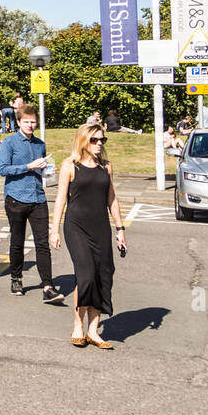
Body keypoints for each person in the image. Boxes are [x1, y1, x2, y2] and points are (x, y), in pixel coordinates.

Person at [50, 124, 126, 349]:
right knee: (86, 275)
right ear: (83, 141)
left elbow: (111, 199)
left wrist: (120, 229)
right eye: (94, 140)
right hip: (76, 227)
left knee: (103, 275)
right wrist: (54, 230)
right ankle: (78, 326)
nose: (99, 143)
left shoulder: (106, 167)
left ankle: (93, 330)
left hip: (100, 227)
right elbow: (60, 200)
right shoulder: (70, 166)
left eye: (102, 140)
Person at [0, 104, 62, 302]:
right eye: (26, 121)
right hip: (16, 197)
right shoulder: (9, 143)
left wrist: (47, 171)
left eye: (33, 121)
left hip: (38, 198)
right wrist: (28, 166)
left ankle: (48, 286)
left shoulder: (39, 144)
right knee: (17, 242)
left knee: (42, 244)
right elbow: (3, 169)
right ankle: (16, 278)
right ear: (18, 122)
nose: (30, 125)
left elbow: (40, 170)